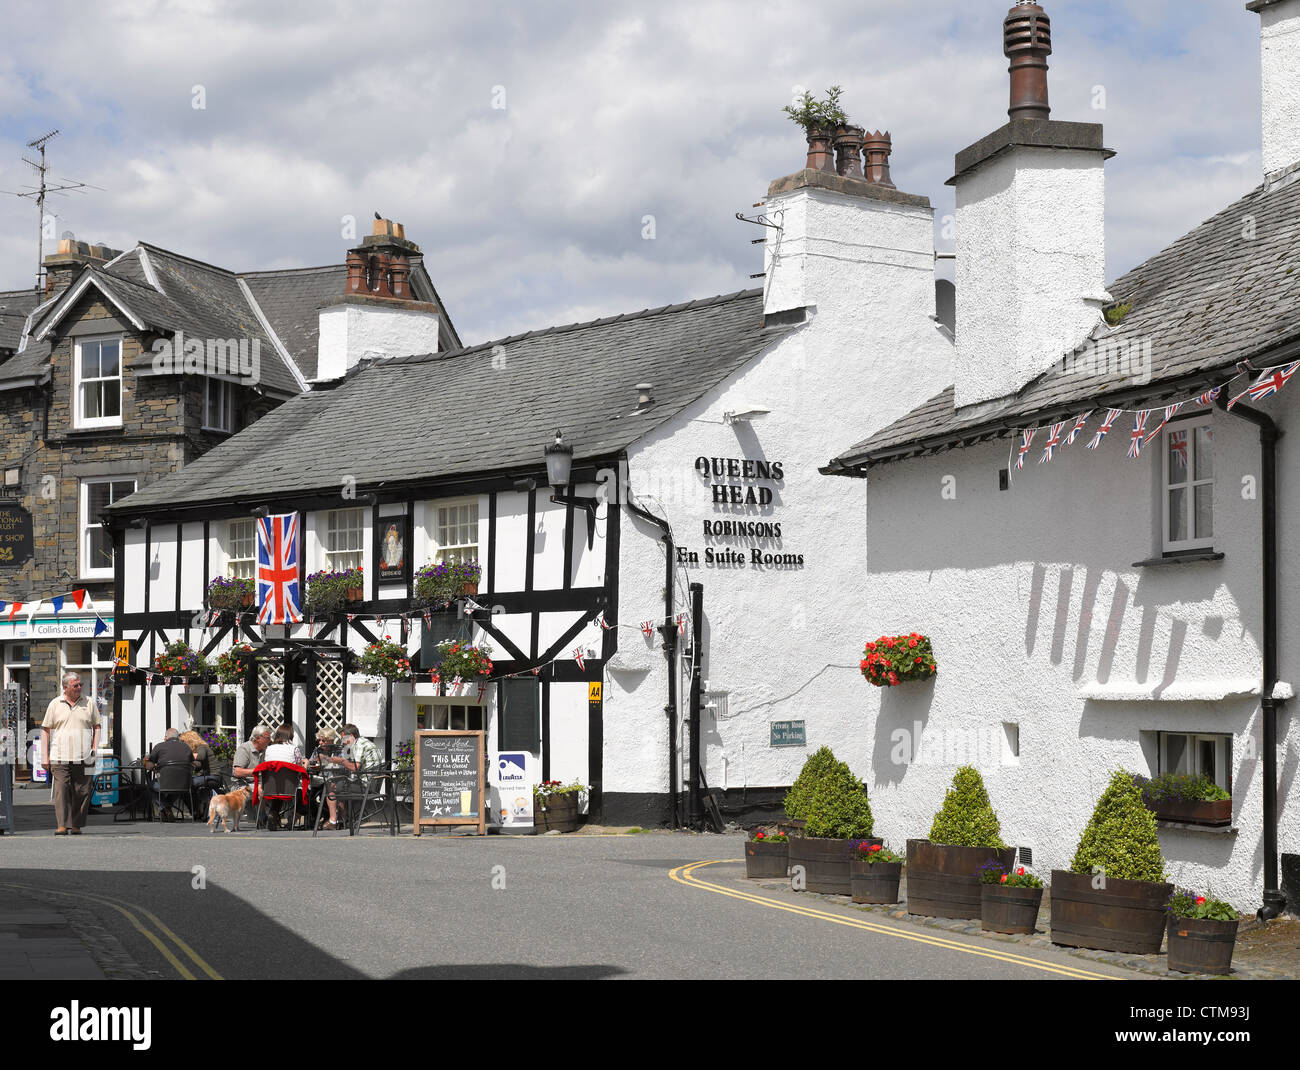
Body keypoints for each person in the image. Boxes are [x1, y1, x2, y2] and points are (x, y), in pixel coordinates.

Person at [40, 672, 100, 835]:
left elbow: (97, 726)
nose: (79, 687)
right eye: (76, 685)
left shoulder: (89, 703)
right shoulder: (55, 704)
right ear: (65, 688)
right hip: (59, 756)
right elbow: (45, 730)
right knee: (61, 790)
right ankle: (62, 824)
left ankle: (76, 824)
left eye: (80, 684)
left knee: (82, 792)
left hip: (85, 756)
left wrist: (95, 748)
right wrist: (44, 756)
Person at [320, 724, 380, 830]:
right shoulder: (364, 742)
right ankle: (342, 819)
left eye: (344, 738)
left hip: (366, 785)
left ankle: (333, 821)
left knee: (331, 786)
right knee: (340, 784)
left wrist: (341, 761)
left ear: (351, 735)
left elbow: (354, 767)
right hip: (372, 783)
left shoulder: (359, 745)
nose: (343, 741)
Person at [146, 728, 198, 818]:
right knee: (177, 787)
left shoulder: (159, 746)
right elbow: (192, 764)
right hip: (184, 784)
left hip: (164, 783)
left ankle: (165, 807)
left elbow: (149, 767)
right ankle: (167, 808)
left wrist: (150, 762)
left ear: (166, 737)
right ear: (177, 737)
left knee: (150, 786)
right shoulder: (186, 747)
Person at [180, 730, 222, 814]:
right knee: (184, 786)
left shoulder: (202, 747)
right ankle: (196, 810)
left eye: (183, 742)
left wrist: (184, 756)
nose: (183, 745)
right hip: (205, 776)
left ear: (189, 740)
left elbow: (201, 756)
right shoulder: (197, 749)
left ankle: (196, 809)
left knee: (187, 784)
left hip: (213, 777)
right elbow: (198, 764)